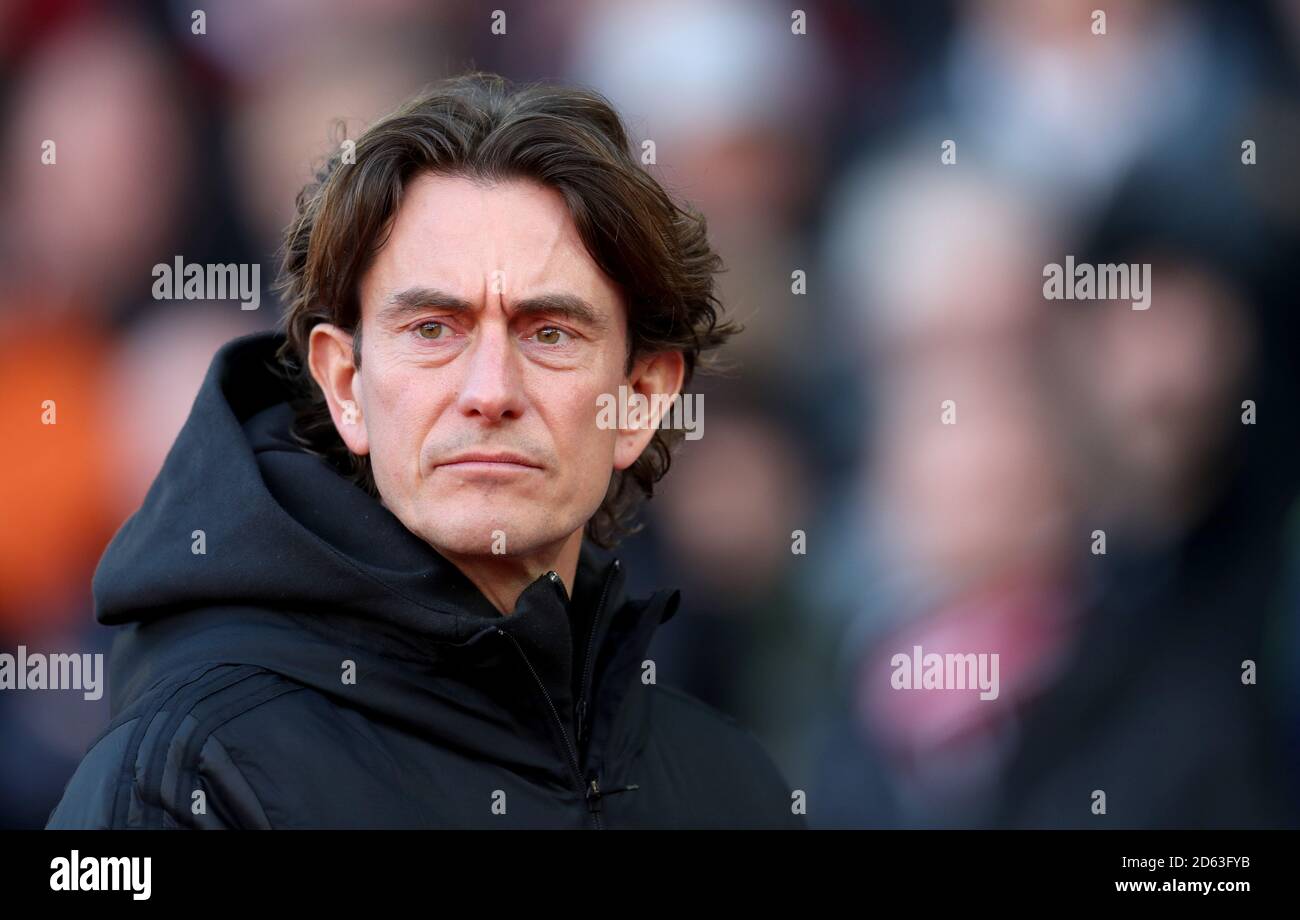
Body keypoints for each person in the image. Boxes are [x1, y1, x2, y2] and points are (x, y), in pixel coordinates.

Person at [46, 72, 802, 829]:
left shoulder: (732, 790)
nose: (490, 389)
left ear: (640, 397)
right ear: (345, 385)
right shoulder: (187, 779)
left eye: (550, 333)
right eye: (434, 329)